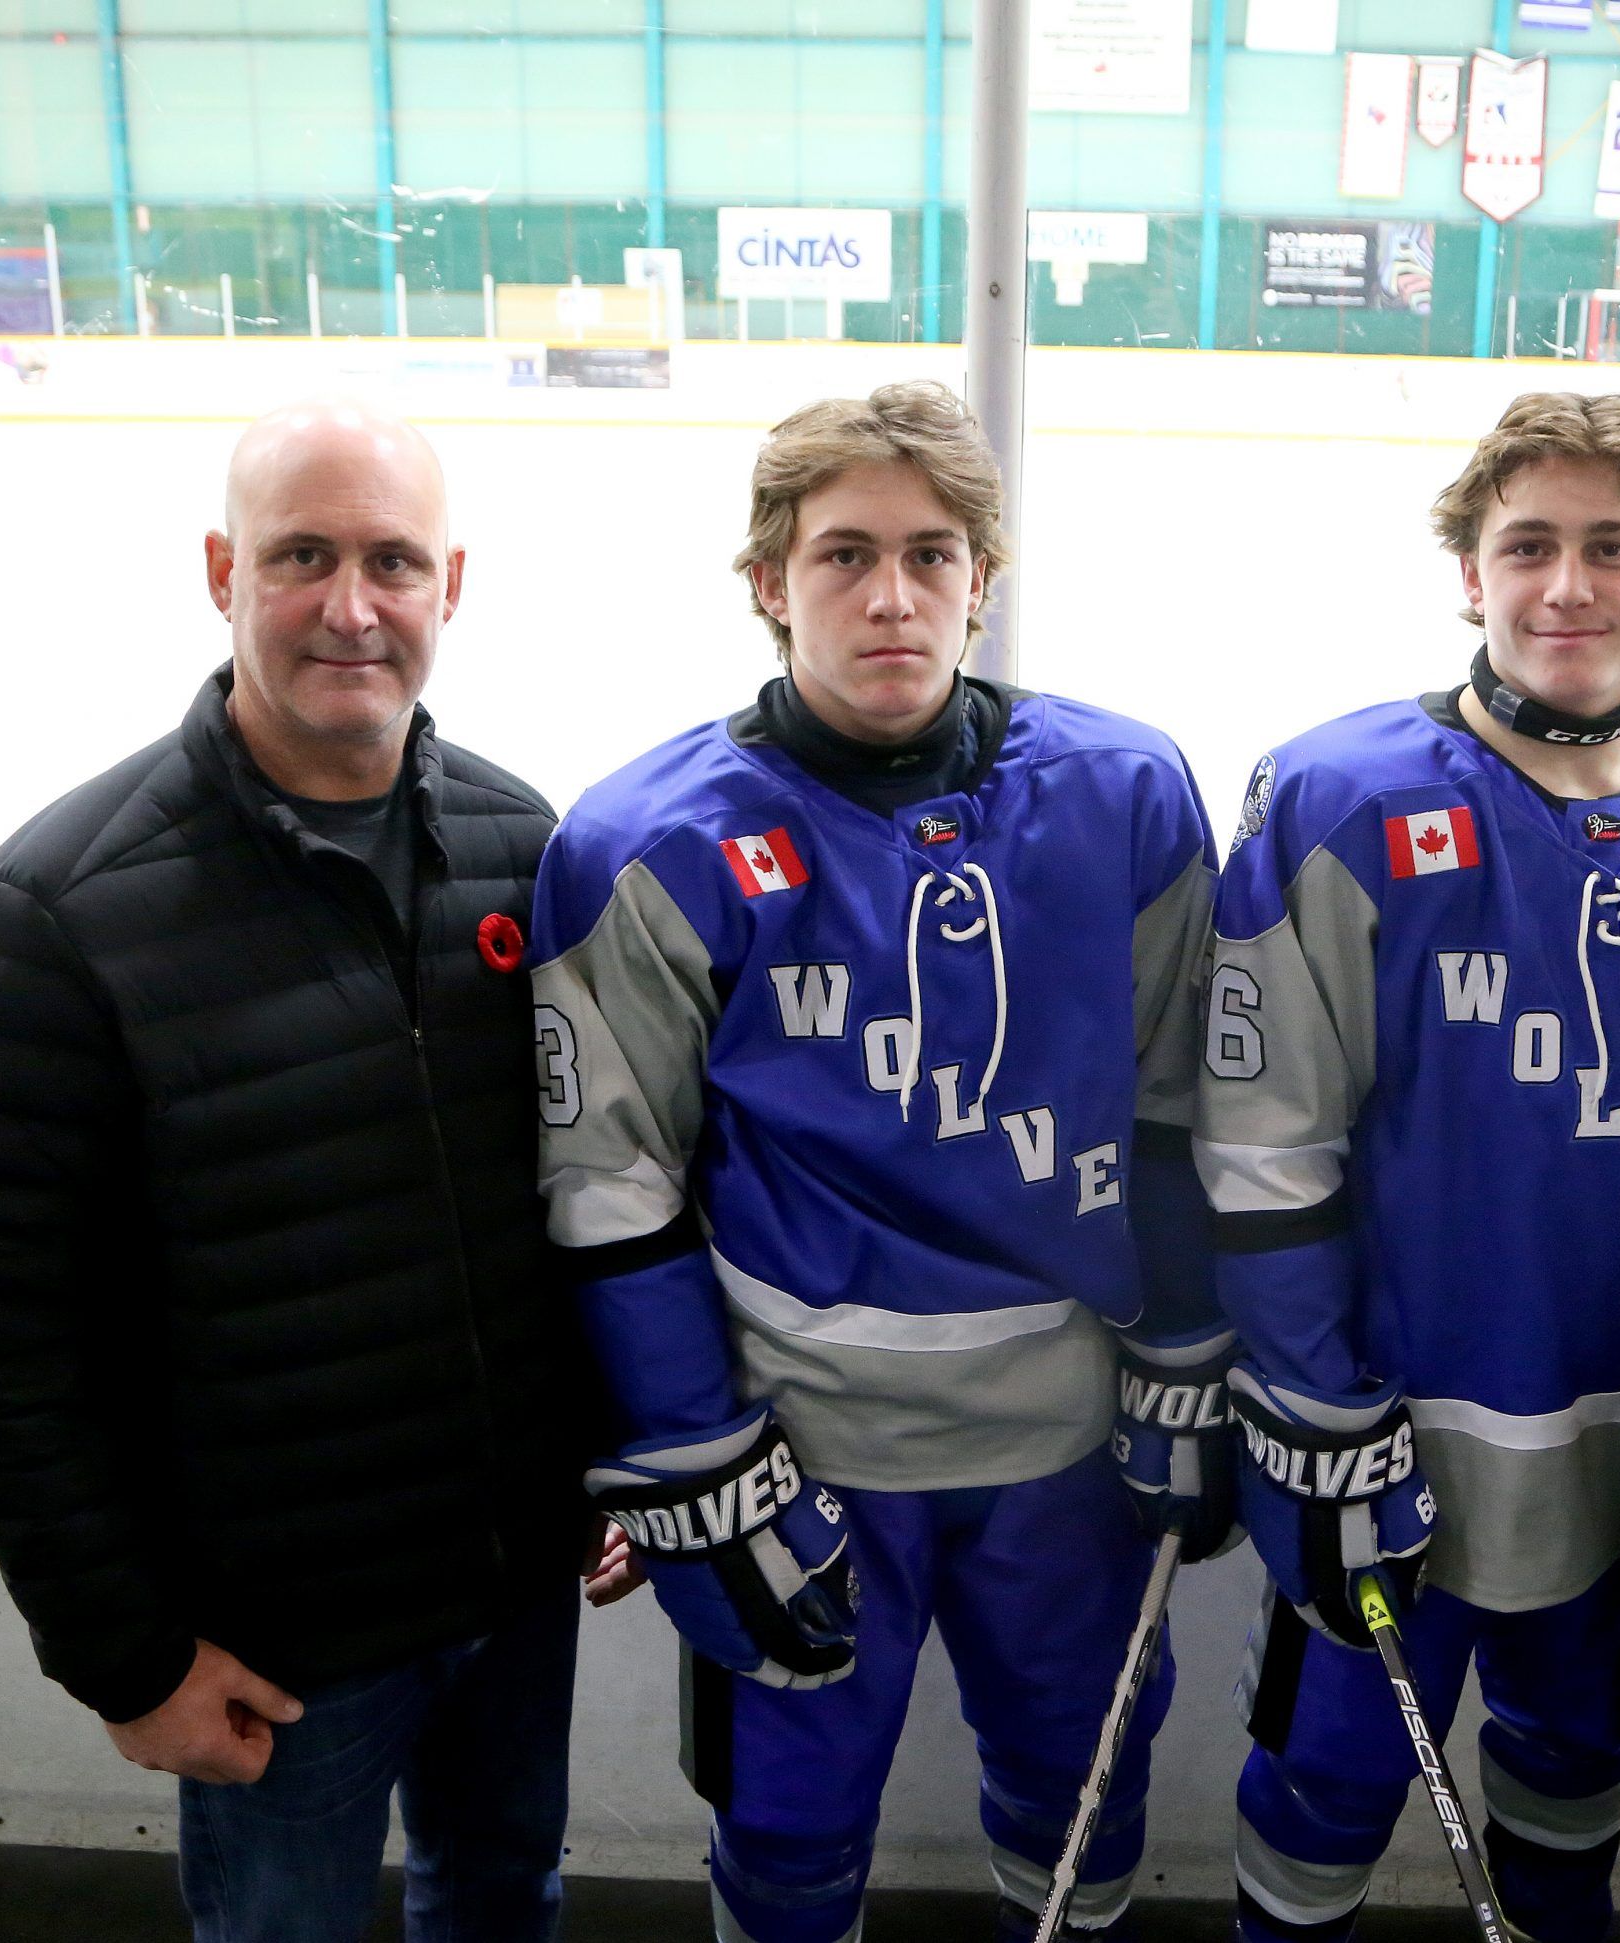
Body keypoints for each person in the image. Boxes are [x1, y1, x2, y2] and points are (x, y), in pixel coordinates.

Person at [527, 380, 1236, 1943]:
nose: (892, 595)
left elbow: (1183, 1105)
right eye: (843, 554)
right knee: (784, 1828)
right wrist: (694, 1456)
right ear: (768, 582)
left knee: (1083, 1795)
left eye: (932, 553)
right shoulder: (648, 841)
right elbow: (610, 1185)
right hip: (802, 1455)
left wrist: (1191, 1347)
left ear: (986, 578)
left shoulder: (1124, 794)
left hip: (1067, 1453)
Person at [0, 400, 602, 1943]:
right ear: (223, 569)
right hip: (280, 1644)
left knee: (502, 1895)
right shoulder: (60, 909)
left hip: (509, 1589)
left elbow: (574, 1198)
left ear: (452, 586)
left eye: (391, 561)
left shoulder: (523, 842)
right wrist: (129, 1656)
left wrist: (609, 1450)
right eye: (303, 556)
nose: (351, 606)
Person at [1197, 391, 1620, 1943]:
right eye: (1526, 543)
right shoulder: (1339, 798)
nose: (1567, 586)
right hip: (1396, 1430)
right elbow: (1265, 1142)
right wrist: (1315, 1404)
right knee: (1326, 1777)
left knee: (1574, 1761)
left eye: (1614, 546)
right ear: (1468, 570)